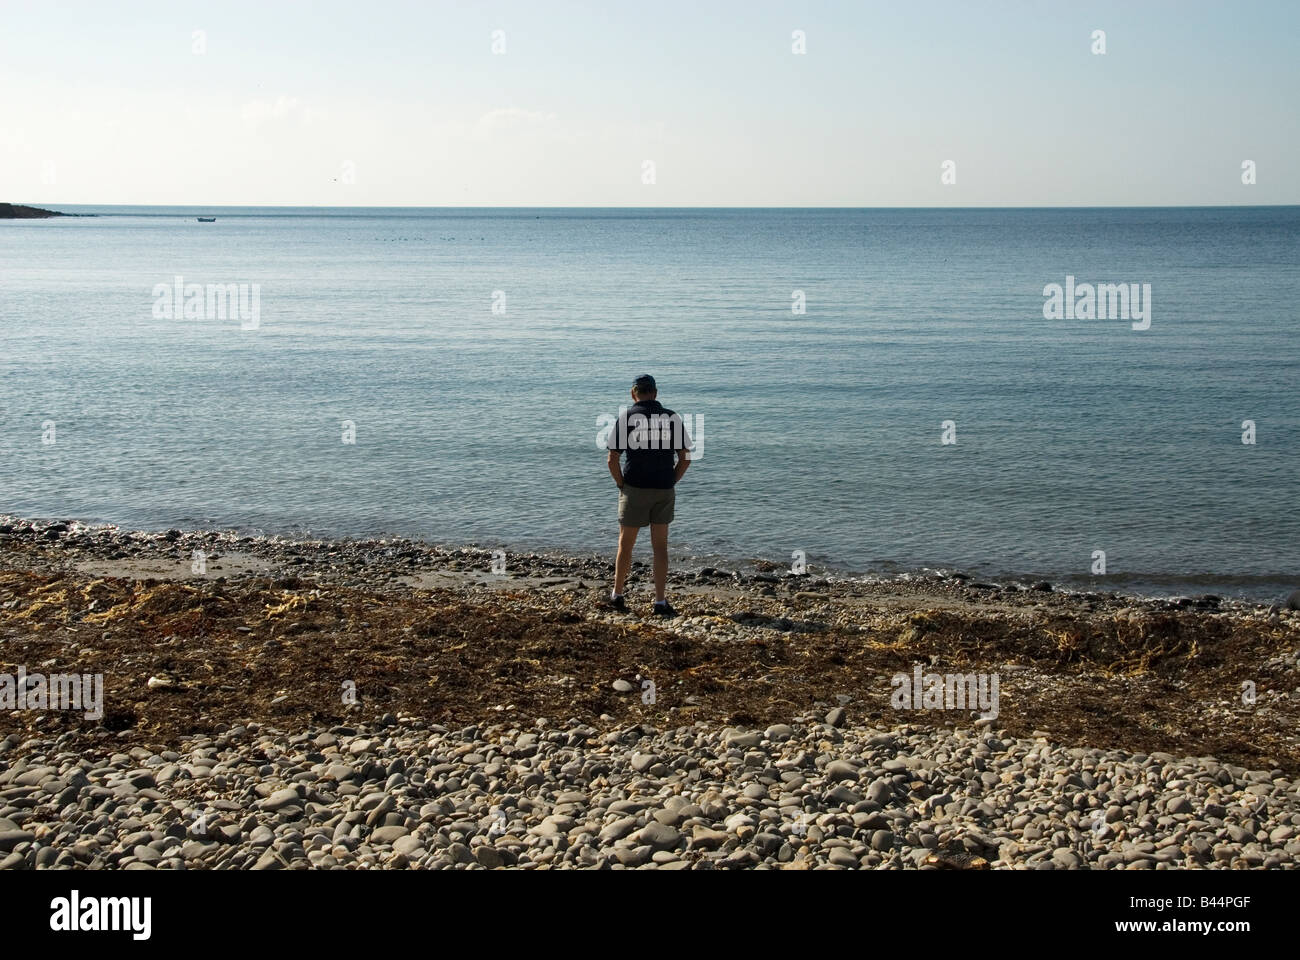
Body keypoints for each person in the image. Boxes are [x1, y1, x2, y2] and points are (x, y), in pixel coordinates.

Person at [605, 374, 691, 616]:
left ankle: (618, 595)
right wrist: (670, 481)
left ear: (633, 394)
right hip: (663, 488)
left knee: (626, 544)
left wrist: (621, 484)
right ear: (655, 393)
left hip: (634, 488)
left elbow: (612, 459)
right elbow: (685, 459)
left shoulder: (627, 417)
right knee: (660, 547)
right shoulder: (672, 417)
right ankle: (660, 602)